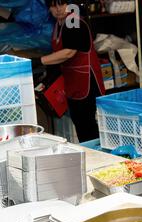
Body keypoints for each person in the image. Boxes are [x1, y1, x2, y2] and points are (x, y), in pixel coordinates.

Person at [36, 0, 105, 142]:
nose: (58, 9)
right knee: (80, 123)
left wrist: (38, 61)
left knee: (88, 126)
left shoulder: (73, 22)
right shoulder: (58, 25)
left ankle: (96, 157)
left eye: (61, 4)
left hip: (86, 81)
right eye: (53, 5)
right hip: (72, 81)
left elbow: (68, 52)